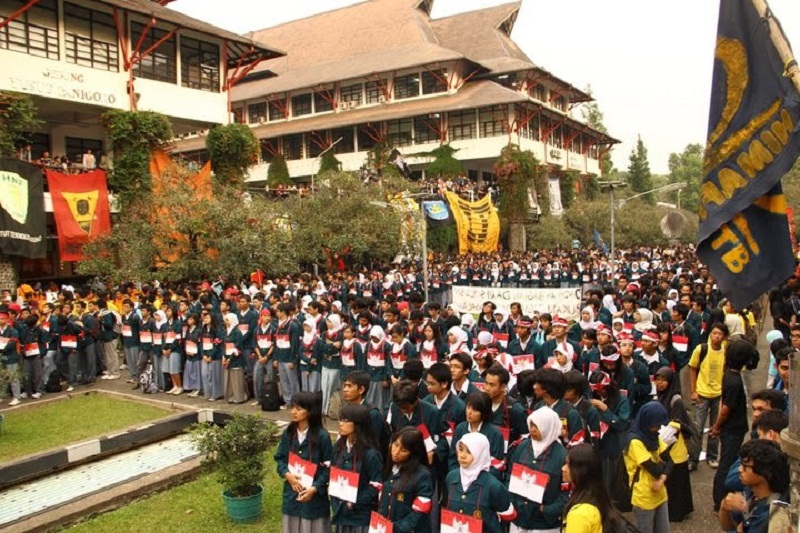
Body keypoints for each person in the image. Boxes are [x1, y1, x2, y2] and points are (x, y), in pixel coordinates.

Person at [274, 391, 333, 533]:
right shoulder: (289, 433)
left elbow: (329, 468)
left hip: (314, 497)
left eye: (299, 409)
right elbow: (280, 458)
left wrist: (314, 488)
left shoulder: (322, 437)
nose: (293, 412)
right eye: (293, 407)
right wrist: (287, 475)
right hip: (292, 493)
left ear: (310, 411)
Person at [506, 406, 568, 533]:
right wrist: (512, 502)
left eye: (537, 426)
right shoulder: (523, 446)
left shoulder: (562, 455)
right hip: (518, 518)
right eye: (531, 425)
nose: (532, 429)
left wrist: (548, 509)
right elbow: (509, 475)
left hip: (544, 524)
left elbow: (567, 491)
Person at [443, 432, 517, 533]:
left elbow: (507, 515)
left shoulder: (493, 486)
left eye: (469, 452)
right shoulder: (451, 478)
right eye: (460, 450)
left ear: (480, 454)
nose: (462, 456)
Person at [710, 339, 752, 510]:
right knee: (726, 463)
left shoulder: (730, 374)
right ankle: (719, 499)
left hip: (732, 428)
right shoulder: (734, 381)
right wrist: (716, 427)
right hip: (732, 429)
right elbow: (725, 408)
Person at [330, 403, 383, 532]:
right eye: (340, 420)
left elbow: (376, 486)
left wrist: (353, 501)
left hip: (361, 517)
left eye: (346, 420)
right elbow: (332, 474)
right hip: (341, 513)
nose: (341, 424)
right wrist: (336, 503)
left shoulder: (371, 454)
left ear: (358, 424)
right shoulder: (339, 447)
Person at [718, 440, 790, 533]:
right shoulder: (750, 490)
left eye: (745, 466)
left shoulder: (769, 516)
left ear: (765, 473)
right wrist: (724, 507)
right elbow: (728, 527)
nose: (739, 469)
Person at [624, 402, 673, 533]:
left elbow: (670, 461)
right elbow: (654, 469)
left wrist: (662, 479)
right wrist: (664, 469)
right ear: (647, 422)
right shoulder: (635, 442)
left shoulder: (654, 438)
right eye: (656, 425)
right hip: (644, 497)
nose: (658, 429)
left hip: (660, 493)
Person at [654, 366, 694, 522]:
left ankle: (677, 513)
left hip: (673, 445)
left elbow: (675, 425)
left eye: (663, 380)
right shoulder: (659, 397)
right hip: (666, 443)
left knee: (676, 481)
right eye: (657, 379)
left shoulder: (675, 400)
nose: (660, 383)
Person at [377, 427, 434, 532]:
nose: (396, 452)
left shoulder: (422, 475)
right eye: (395, 445)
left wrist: (396, 528)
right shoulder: (390, 467)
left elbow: (420, 512)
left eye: (403, 450)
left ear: (413, 453)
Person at [688, 322, 728, 470]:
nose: (717, 336)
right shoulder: (702, 349)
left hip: (718, 394)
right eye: (714, 333)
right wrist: (693, 391)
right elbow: (693, 369)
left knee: (715, 428)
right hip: (702, 394)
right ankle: (693, 458)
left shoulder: (726, 351)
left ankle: (712, 456)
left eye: (720, 334)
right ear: (710, 334)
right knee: (697, 428)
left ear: (724, 337)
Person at [562, 443, 622, 533]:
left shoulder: (579, 514)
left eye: (568, 465)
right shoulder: (598, 497)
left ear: (581, 471)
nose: (563, 468)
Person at [222, 313, 248, 404]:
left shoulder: (237, 332)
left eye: (227, 320)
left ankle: (239, 397)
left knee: (236, 378)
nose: (225, 322)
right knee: (229, 378)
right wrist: (224, 357)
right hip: (227, 356)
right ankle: (231, 396)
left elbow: (238, 347)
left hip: (236, 358)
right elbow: (224, 346)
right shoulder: (226, 332)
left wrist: (230, 358)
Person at [183, 313, 203, 397]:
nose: (189, 321)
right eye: (188, 319)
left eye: (191, 319)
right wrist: (187, 350)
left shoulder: (199, 330)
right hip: (189, 353)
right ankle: (192, 387)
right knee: (190, 371)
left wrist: (196, 351)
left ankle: (198, 388)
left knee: (196, 371)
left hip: (196, 354)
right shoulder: (188, 330)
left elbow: (200, 343)